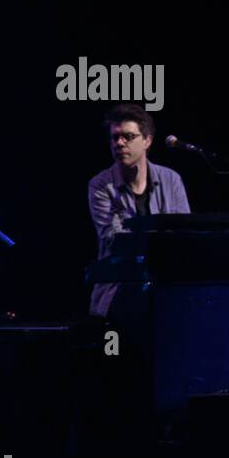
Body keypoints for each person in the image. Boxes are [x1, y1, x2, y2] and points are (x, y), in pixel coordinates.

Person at [87, 103, 190, 318]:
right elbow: (114, 240)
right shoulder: (100, 185)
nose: (119, 143)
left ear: (147, 140)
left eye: (128, 136)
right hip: (119, 288)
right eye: (115, 138)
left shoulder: (171, 180)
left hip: (167, 285)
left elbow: (184, 236)